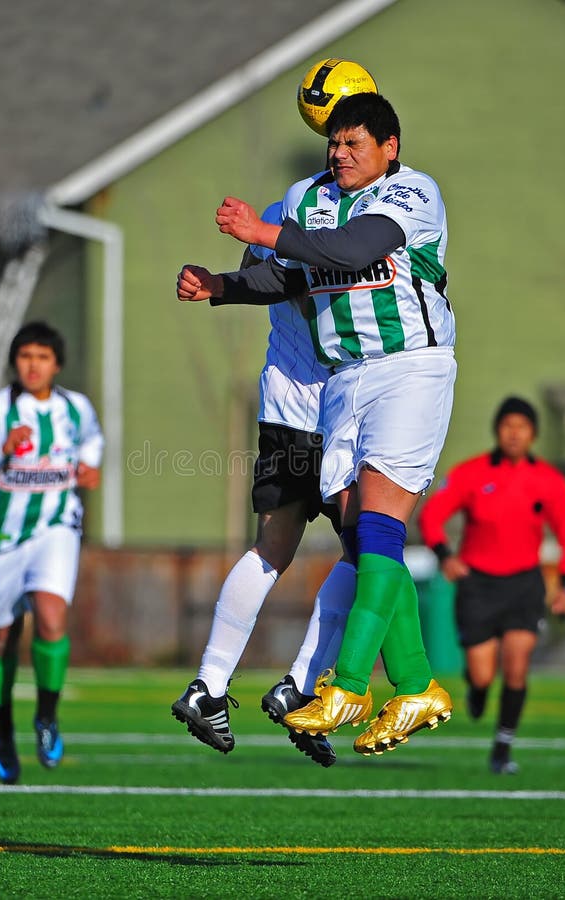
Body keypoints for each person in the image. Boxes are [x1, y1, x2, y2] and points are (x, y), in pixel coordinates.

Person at [176, 91, 457, 757]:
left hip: (409, 367)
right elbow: (293, 277)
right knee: (362, 533)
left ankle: (347, 682)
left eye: (354, 143)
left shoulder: (413, 192)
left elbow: (356, 246)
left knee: (379, 524)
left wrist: (261, 231)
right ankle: (414, 684)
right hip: (343, 380)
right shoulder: (312, 199)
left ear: (389, 148)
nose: (339, 154)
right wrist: (221, 286)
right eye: (334, 143)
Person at [173, 201, 357, 767]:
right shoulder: (369, 215)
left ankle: (208, 685)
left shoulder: (281, 210)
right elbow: (286, 279)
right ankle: (300, 688)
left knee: (270, 551)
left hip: (282, 410)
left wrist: (220, 284)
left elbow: (264, 274)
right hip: (342, 412)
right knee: (371, 553)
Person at [0, 321, 104, 784]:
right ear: (15, 362)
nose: (33, 365)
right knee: (1, 638)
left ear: (56, 363)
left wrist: (90, 467)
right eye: (25, 356)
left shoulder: (75, 408)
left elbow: (92, 439)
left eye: (42, 357)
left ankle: (47, 718)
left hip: (55, 528)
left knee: (52, 619)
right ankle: (1, 729)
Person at [418, 396, 565, 773]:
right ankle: (477, 691)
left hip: (524, 586)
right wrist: (445, 556)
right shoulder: (471, 474)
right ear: (497, 430)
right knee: (482, 674)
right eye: (507, 425)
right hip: (478, 585)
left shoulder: (547, 480)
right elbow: (433, 515)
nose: (514, 433)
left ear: (533, 434)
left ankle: (502, 748)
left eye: (522, 427)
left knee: (517, 668)